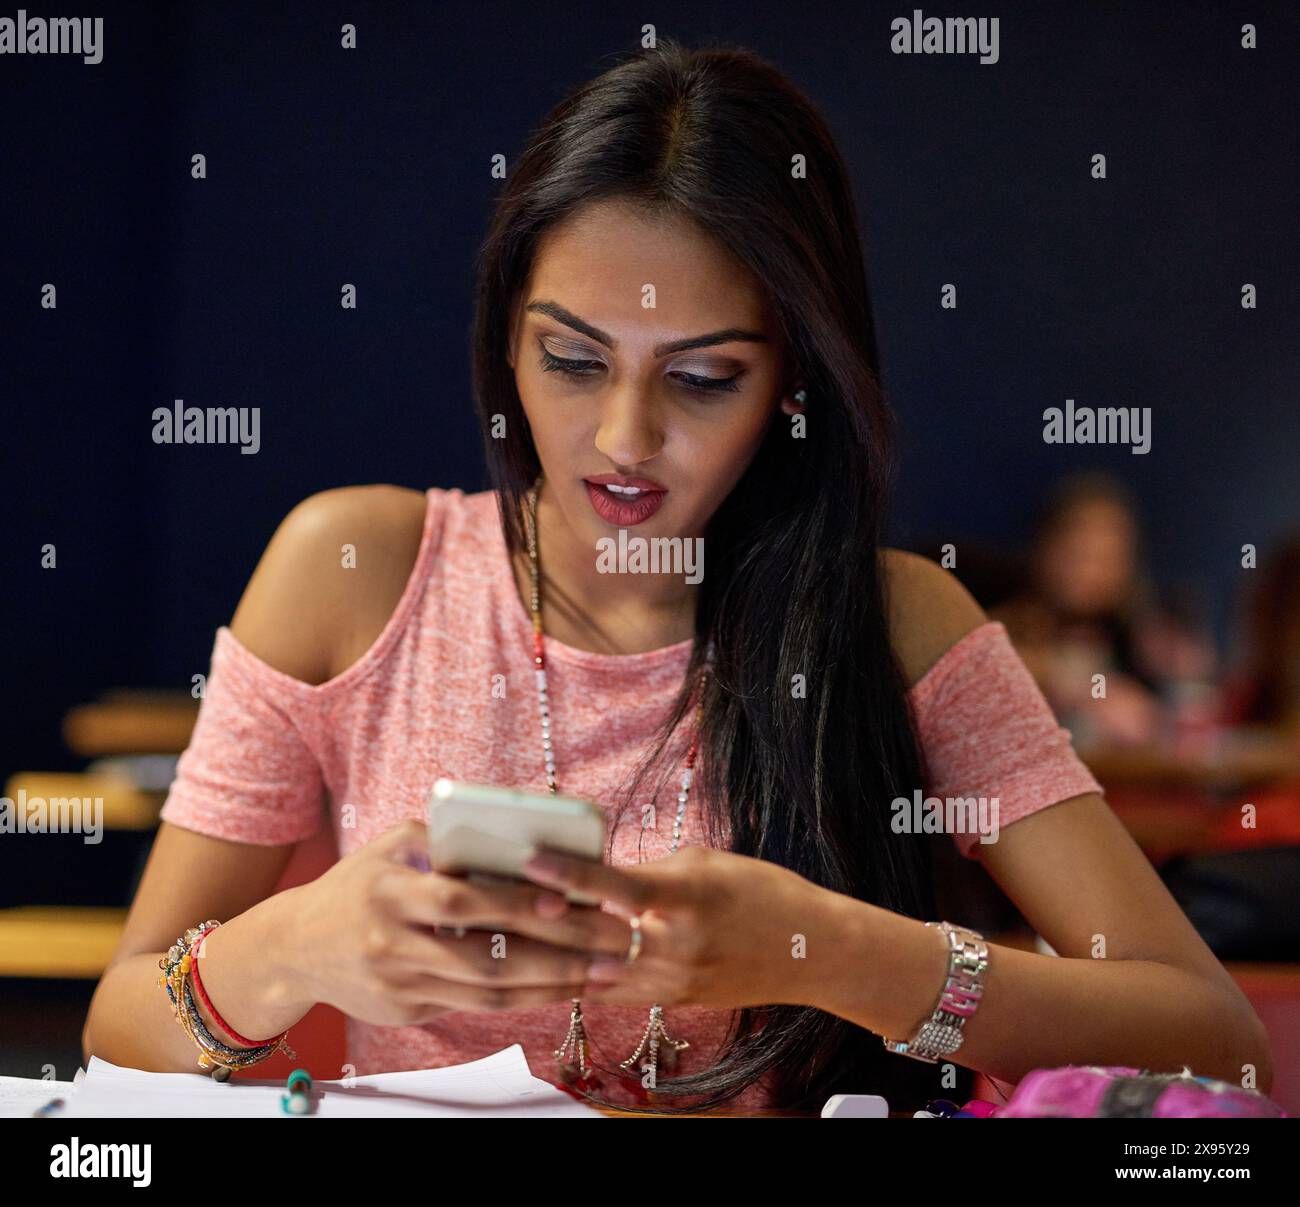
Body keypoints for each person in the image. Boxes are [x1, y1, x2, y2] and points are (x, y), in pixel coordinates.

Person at [82, 40, 1271, 1113]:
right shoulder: (352, 572)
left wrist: (839, 951)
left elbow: (1217, 1043)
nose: (623, 438)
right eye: (571, 359)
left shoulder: (897, 620)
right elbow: (117, 1027)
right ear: (507, 337)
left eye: (701, 378)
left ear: (794, 380)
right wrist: (296, 944)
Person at [991, 473, 1217, 750]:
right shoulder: (1008, 627)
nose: (1089, 572)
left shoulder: (1141, 635)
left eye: (1106, 558)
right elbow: (994, 670)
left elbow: (1188, 709)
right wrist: (1082, 692)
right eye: (1077, 554)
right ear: (1044, 550)